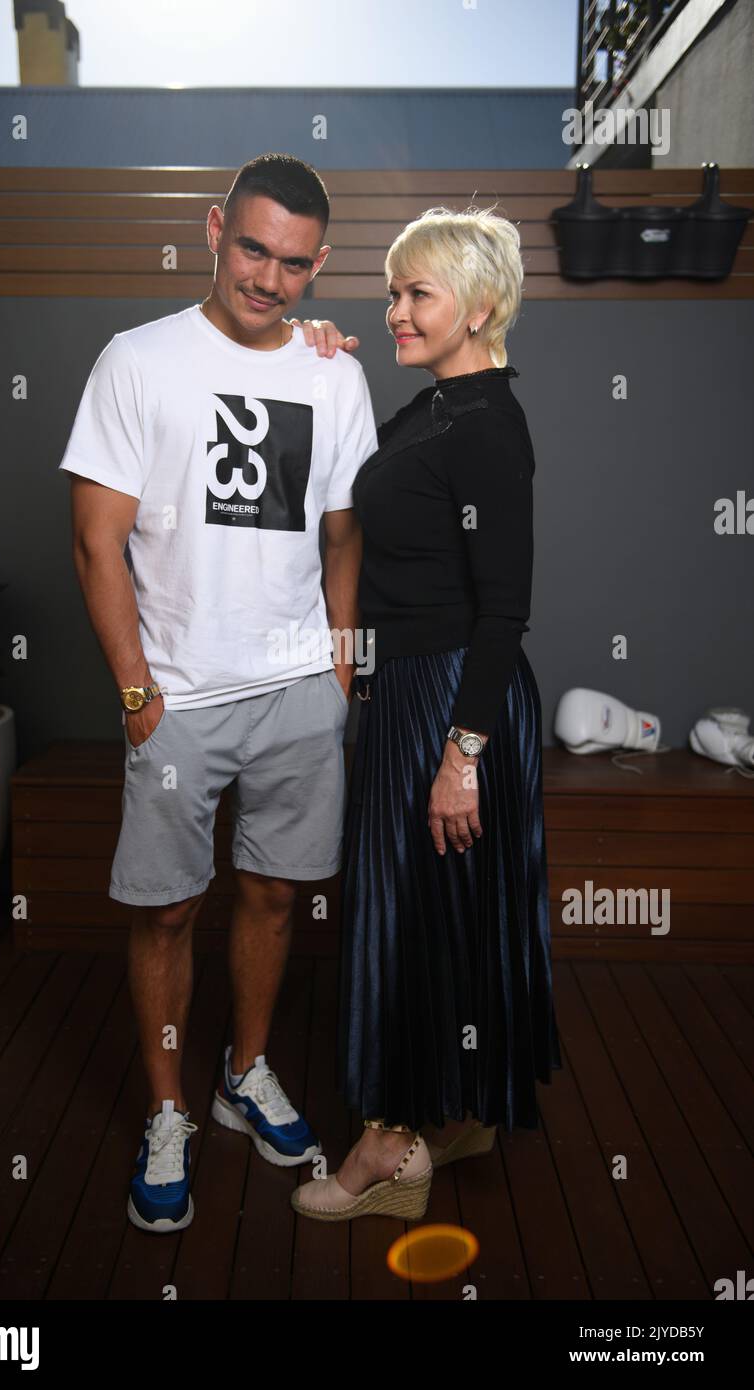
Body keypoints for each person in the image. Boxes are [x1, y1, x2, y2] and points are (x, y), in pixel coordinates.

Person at [58, 153, 376, 1233]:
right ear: (212, 228)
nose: (267, 279)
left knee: (275, 895)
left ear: (317, 267)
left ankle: (245, 1071)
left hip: (298, 693)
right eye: (252, 249)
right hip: (179, 700)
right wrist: (137, 693)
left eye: (293, 264)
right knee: (167, 909)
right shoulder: (137, 360)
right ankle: (167, 1110)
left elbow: (344, 533)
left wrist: (341, 666)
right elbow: (95, 539)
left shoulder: (335, 375)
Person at [292, 205, 563, 1223]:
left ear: (479, 308)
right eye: (392, 292)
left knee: (405, 924)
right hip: (411, 691)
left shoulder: (486, 426)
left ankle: (386, 1150)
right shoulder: (433, 407)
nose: (395, 310)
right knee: (436, 917)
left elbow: (505, 610)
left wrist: (461, 756)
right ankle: (455, 1114)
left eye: (417, 294)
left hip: (453, 704)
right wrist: (320, 353)